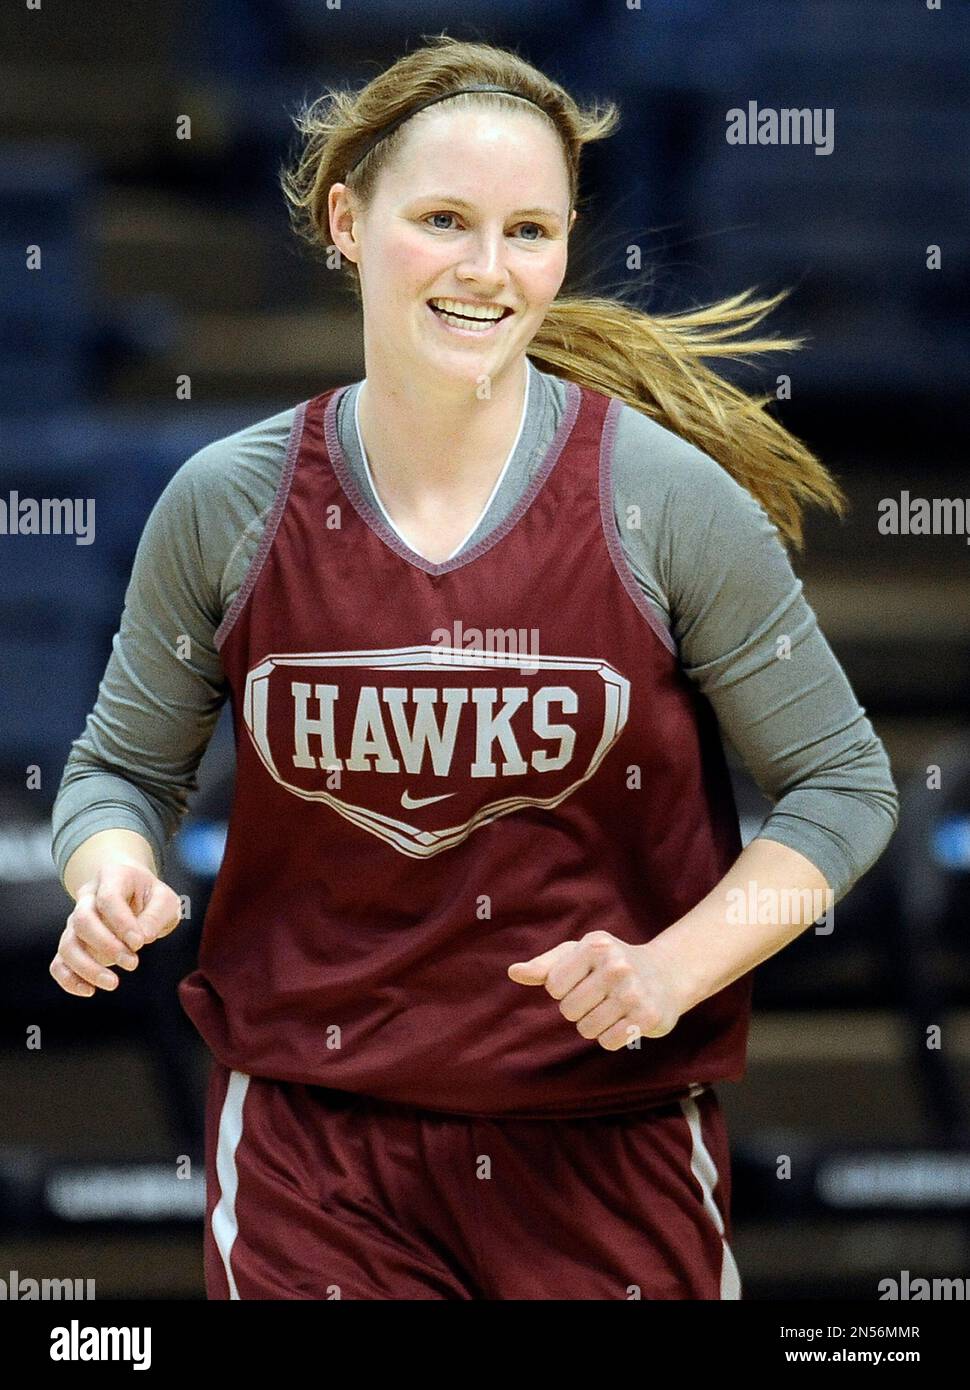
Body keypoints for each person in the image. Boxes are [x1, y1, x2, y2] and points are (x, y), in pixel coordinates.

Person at [50, 36, 899, 1300]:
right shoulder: (226, 502)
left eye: (528, 231)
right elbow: (118, 769)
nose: (487, 271)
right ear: (346, 220)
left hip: (605, 1146)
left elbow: (843, 787)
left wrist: (668, 970)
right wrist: (109, 874)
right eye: (443, 220)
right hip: (311, 1154)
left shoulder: (663, 501)